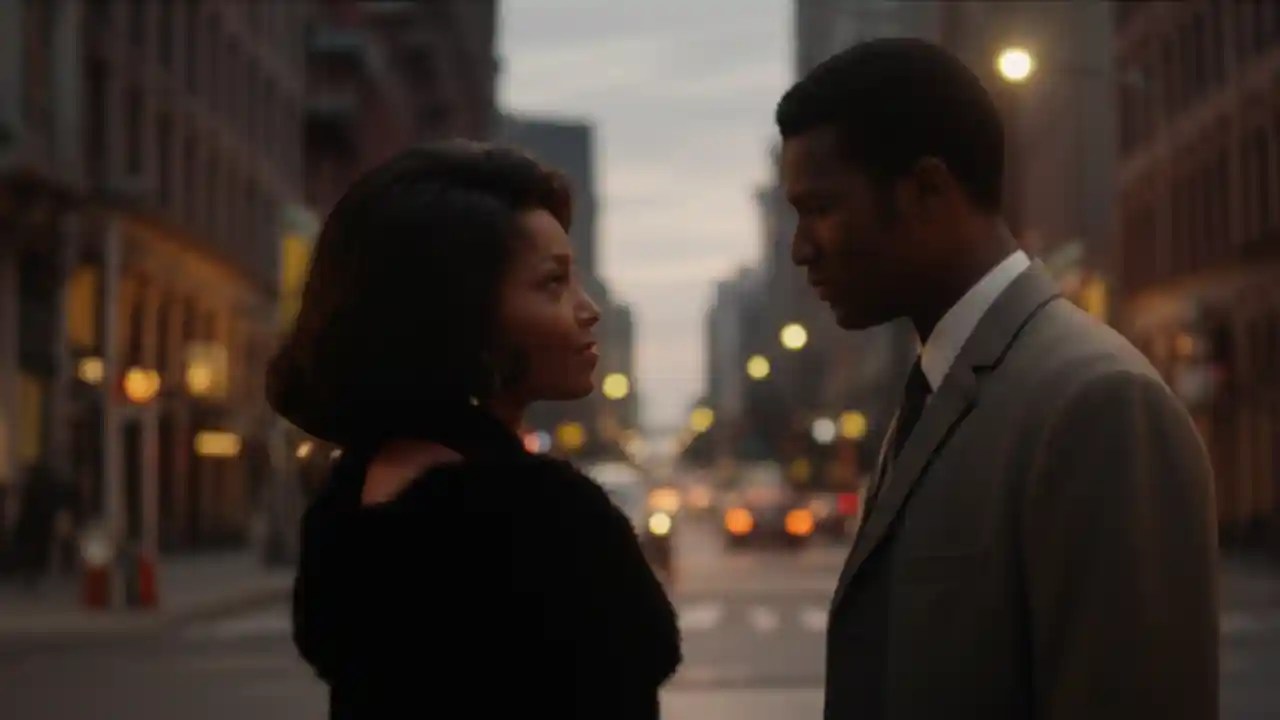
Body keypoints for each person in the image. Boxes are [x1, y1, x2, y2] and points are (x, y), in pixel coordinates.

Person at [775, 38, 1218, 719]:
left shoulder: (1096, 403)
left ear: (927, 189)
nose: (802, 248)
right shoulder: (941, 388)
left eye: (822, 208)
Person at [268, 142, 681, 718]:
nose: (588, 310)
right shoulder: (538, 519)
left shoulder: (358, 492)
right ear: (463, 318)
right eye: (552, 284)